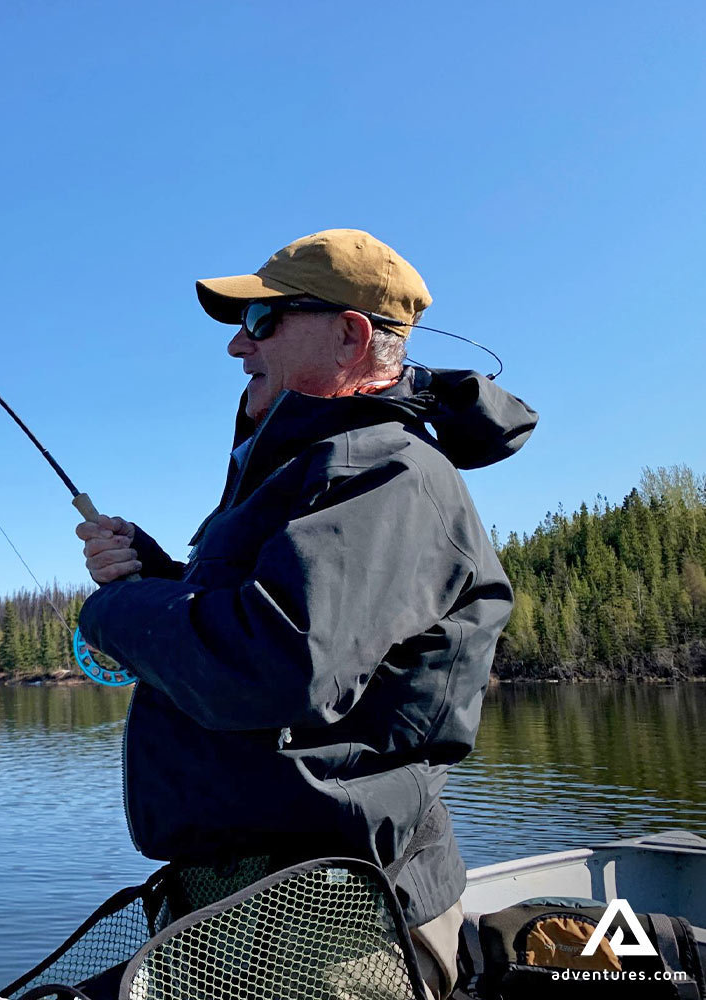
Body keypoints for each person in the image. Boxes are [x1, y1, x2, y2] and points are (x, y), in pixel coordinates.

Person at [75, 229, 537, 999]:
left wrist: (118, 608)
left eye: (263, 322)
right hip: (258, 903)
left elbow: (272, 665)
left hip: (328, 919)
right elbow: (277, 622)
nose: (236, 346)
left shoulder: (386, 472)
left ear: (352, 336)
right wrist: (160, 576)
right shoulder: (318, 469)